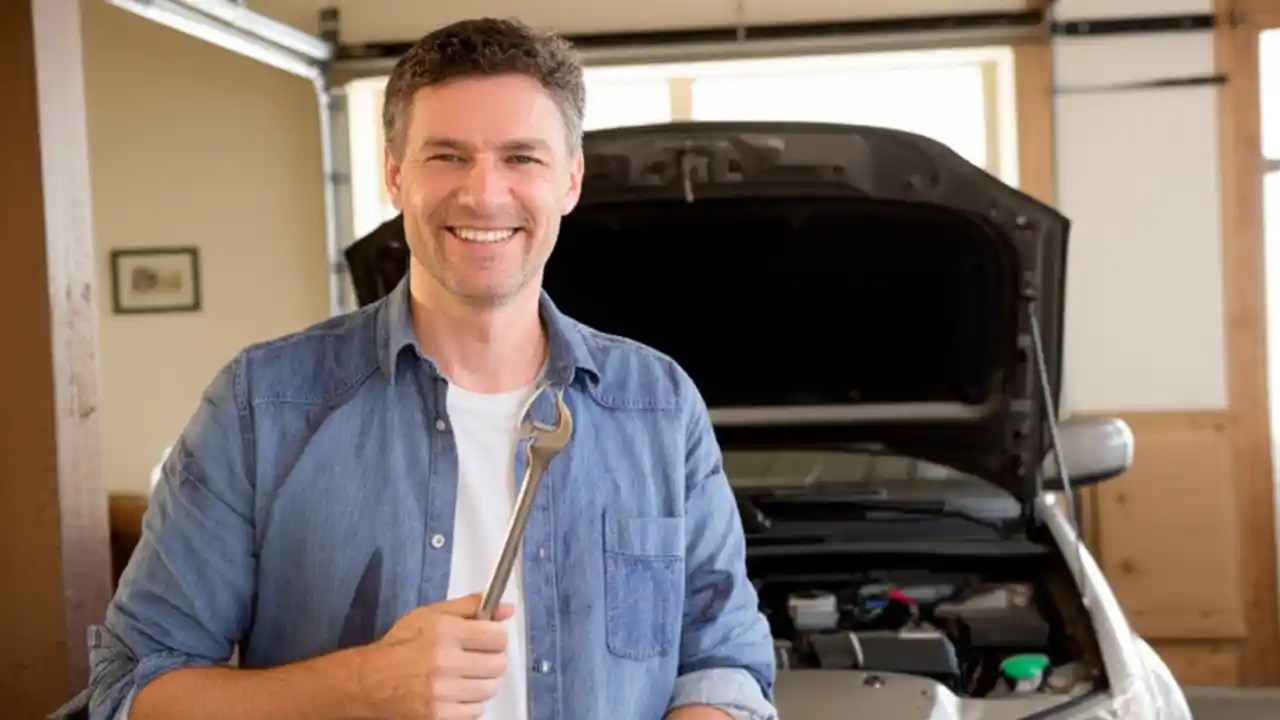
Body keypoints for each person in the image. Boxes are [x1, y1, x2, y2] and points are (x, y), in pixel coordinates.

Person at [84, 16, 777, 720]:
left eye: (522, 158)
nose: (483, 194)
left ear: (570, 180)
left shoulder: (657, 405)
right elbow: (132, 690)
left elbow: (722, 663)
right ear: (394, 176)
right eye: (447, 156)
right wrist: (359, 687)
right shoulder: (262, 406)